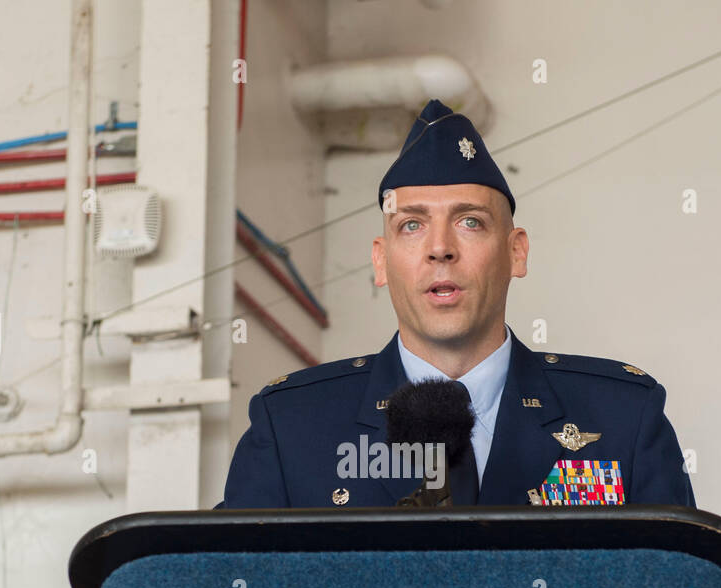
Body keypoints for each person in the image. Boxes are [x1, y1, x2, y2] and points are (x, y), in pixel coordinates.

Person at [218, 99, 694, 509]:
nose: (440, 247)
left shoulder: (623, 417)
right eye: (411, 225)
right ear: (381, 262)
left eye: (470, 222)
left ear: (516, 252)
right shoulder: (292, 427)